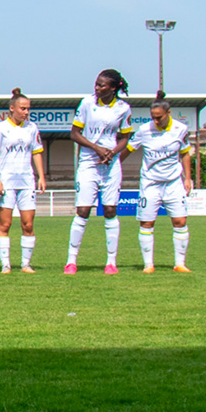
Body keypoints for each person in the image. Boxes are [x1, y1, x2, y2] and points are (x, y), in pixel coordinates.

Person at [66, 69, 133, 275]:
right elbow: (75, 133)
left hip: (110, 164)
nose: (96, 88)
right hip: (88, 162)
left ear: (113, 88)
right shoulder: (87, 103)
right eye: (96, 84)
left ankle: (111, 262)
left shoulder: (123, 108)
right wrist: (96, 148)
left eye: (101, 85)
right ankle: (71, 261)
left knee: (111, 210)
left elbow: (124, 137)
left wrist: (112, 152)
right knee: (83, 211)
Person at [129, 97, 192, 273]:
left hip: (173, 183)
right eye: (153, 117)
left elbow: (185, 153)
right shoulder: (143, 130)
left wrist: (187, 178)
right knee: (147, 223)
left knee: (180, 221)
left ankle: (180, 263)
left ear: (168, 113)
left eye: (159, 117)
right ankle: (148, 265)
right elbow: (129, 148)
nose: (155, 121)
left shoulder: (181, 129)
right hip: (150, 184)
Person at [0, 88, 46, 273]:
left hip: (27, 181)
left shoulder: (32, 128)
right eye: (23, 108)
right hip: (7, 182)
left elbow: (36, 152)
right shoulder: (0, 128)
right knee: (5, 224)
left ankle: (26, 264)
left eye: (28, 109)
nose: (26, 112)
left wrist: (41, 176)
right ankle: (5, 264)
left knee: (28, 224)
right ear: (12, 108)